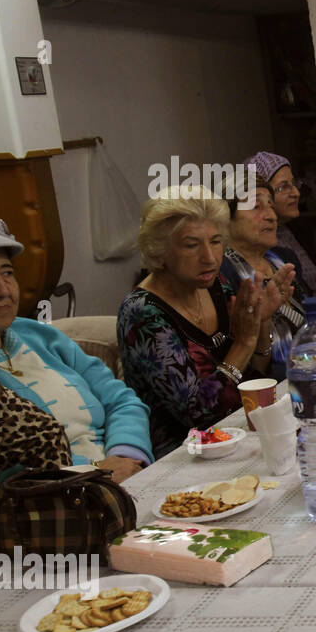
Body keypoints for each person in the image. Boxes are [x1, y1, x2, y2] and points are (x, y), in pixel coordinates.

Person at [118, 187, 289, 458]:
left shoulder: (214, 285)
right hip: (184, 456)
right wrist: (245, 341)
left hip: (237, 437)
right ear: (159, 250)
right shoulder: (142, 313)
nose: (209, 257)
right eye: (191, 245)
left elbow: (252, 376)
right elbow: (200, 413)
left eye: (216, 241)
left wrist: (261, 323)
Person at [0, 220, 152, 484]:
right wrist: (96, 471)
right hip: (56, 503)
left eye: (7, 273)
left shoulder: (40, 336)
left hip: (125, 475)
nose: (2, 291)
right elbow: (13, 471)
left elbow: (122, 400)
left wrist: (126, 455)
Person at [219, 177, 305, 381]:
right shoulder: (221, 273)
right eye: (256, 206)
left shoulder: (284, 259)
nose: (271, 216)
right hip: (266, 382)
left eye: (271, 206)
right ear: (225, 219)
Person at [245, 151, 316, 303]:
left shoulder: (299, 228)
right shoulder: (257, 245)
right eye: (283, 188)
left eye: (294, 184)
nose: (295, 193)